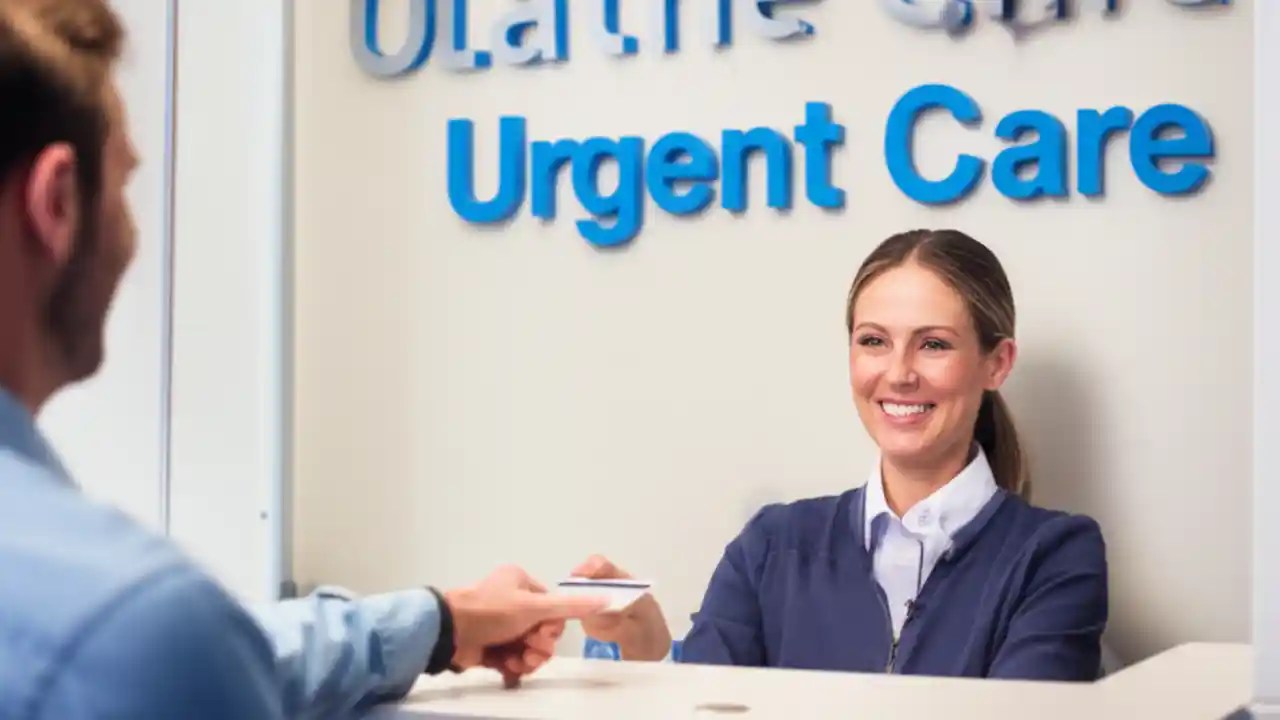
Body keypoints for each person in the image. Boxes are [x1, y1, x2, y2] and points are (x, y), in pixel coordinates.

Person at [0, 1, 604, 718]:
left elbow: (238, 650)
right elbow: (174, 657)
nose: (132, 236)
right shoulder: (132, 632)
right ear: (58, 202)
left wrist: (441, 621)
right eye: (126, 185)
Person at [575, 229, 1109, 680]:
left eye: (934, 344)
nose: (898, 373)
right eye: (874, 341)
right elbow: (705, 705)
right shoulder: (771, 547)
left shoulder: (1055, 557)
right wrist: (647, 651)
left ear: (997, 363)